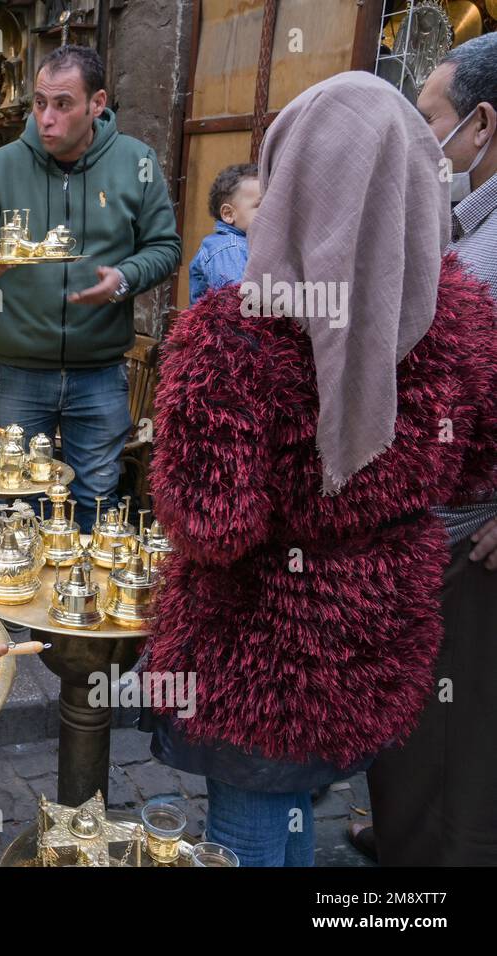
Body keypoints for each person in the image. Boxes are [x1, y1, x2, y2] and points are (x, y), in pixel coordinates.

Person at [143, 72, 497, 866]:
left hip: (254, 665)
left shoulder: (233, 338)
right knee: (308, 806)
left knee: (255, 837)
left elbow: (213, 526)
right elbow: (475, 468)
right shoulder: (464, 317)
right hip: (380, 640)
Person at [357, 34, 497, 866]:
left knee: (459, 734)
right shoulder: (466, 224)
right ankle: (405, 831)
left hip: (471, 537)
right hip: (432, 531)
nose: (421, 144)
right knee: (418, 714)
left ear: (479, 126)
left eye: (429, 123)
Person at [0, 45, 180, 531]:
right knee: (17, 507)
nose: (47, 118)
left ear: (97, 103)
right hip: (19, 375)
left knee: (95, 502)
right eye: (39, 103)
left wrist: (125, 278)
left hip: (100, 375)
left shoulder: (137, 162)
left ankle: (82, 603)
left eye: (63, 104)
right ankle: (15, 603)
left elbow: (165, 247)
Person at [187, 163, 259, 305]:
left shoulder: (252, 243)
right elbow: (239, 307)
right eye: (261, 205)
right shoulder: (229, 248)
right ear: (228, 214)